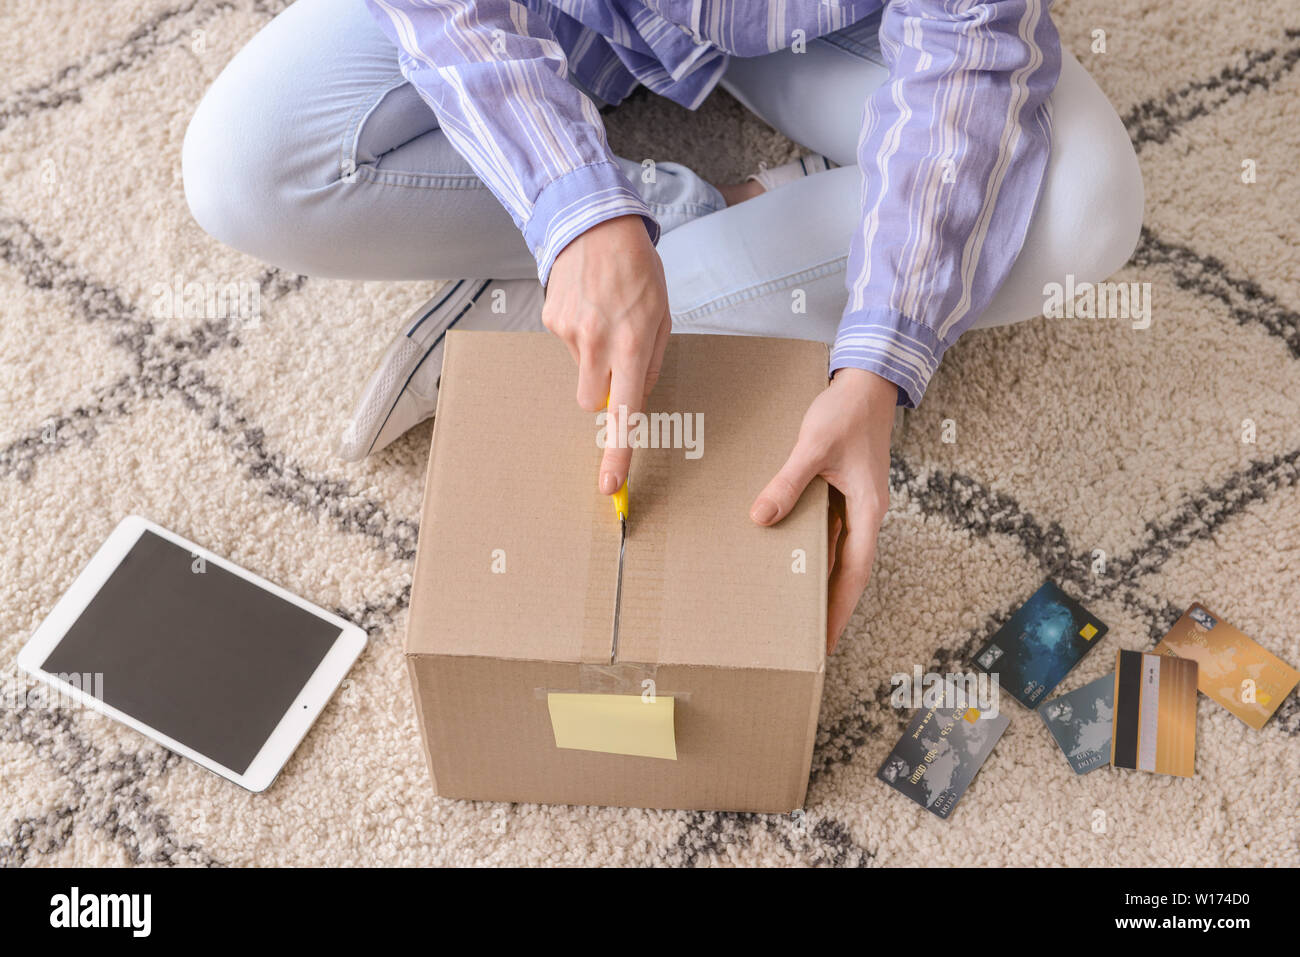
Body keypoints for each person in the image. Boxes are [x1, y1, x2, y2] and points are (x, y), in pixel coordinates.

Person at [183, 0, 1143, 650]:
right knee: (246, 165)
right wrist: (578, 212)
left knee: (1086, 203)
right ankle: (660, 232)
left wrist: (881, 358)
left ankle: (566, 297)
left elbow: (971, 51)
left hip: (819, 32)